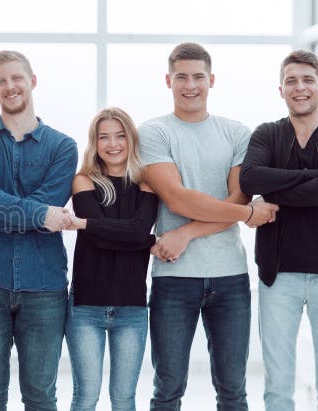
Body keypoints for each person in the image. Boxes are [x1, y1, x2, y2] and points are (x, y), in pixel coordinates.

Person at [138, 42, 278, 410]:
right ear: (168, 80)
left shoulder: (236, 133)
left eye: (198, 76)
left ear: (211, 79)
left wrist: (184, 233)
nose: (190, 85)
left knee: (233, 391)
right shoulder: (153, 133)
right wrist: (243, 215)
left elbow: (238, 200)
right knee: (168, 390)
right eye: (181, 76)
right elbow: (177, 198)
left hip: (230, 277)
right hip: (172, 277)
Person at [0, 50, 78, 410]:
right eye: (1, 81)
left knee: (41, 395)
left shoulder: (63, 147)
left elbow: (47, 201)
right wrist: (38, 214)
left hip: (44, 285)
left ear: (32, 81)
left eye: (16, 78)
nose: (9, 86)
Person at [64, 107, 157, 410]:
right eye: (104, 137)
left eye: (120, 136)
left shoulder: (146, 183)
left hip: (131, 307)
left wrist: (88, 224)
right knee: (86, 396)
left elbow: (137, 230)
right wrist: (148, 241)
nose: (112, 144)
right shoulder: (83, 181)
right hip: (86, 306)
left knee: (124, 398)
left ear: (131, 139)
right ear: (95, 142)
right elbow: (106, 238)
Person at [240, 50, 318, 410]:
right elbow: (251, 178)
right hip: (278, 275)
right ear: (281, 89)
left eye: (308, 80)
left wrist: (278, 187)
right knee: (278, 386)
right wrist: (309, 180)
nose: (299, 87)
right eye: (291, 80)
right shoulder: (268, 134)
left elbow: (266, 181)